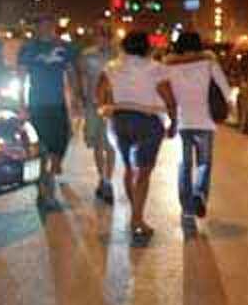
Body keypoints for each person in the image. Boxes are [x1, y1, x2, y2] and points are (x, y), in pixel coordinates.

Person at [96, 31, 178, 243]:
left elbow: (100, 92)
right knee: (143, 173)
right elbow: (169, 99)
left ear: (123, 46)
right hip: (147, 122)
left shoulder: (112, 66)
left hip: (119, 120)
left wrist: (105, 108)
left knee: (128, 169)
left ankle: (136, 214)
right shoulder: (156, 68)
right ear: (147, 47)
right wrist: (174, 123)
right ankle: (137, 219)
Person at [161, 31, 231, 230]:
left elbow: (164, 94)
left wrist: (168, 120)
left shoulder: (168, 66)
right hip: (205, 121)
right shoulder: (209, 63)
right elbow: (225, 89)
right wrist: (229, 104)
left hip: (182, 121)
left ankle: (187, 208)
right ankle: (199, 194)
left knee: (184, 165)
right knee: (204, 163)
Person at [18, 17, 82, 208]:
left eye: (49, 25)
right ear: (37, 28)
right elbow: (20, 77)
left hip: (58, 104)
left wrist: (76, 97)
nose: (46, 29)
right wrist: (21, 104)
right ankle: (45, 190)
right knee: (41, 149)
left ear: (54, 28)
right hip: (37, 104)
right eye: (41, 26)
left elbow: (71, 74)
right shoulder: (29, 48)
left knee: (62, 141)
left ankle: (53, 169)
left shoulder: (65, 48)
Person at [76, 24, 119, 203]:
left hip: (112, 106)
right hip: (92, 105)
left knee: (110, 145)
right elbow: (80, 77)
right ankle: (102, 178)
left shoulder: (118, 56)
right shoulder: (86, 55)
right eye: (98, 35)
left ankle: (108, 181)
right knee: (97, 144)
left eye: (104, 36)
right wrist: (81, 99)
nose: (100, 39)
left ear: (110, 37)